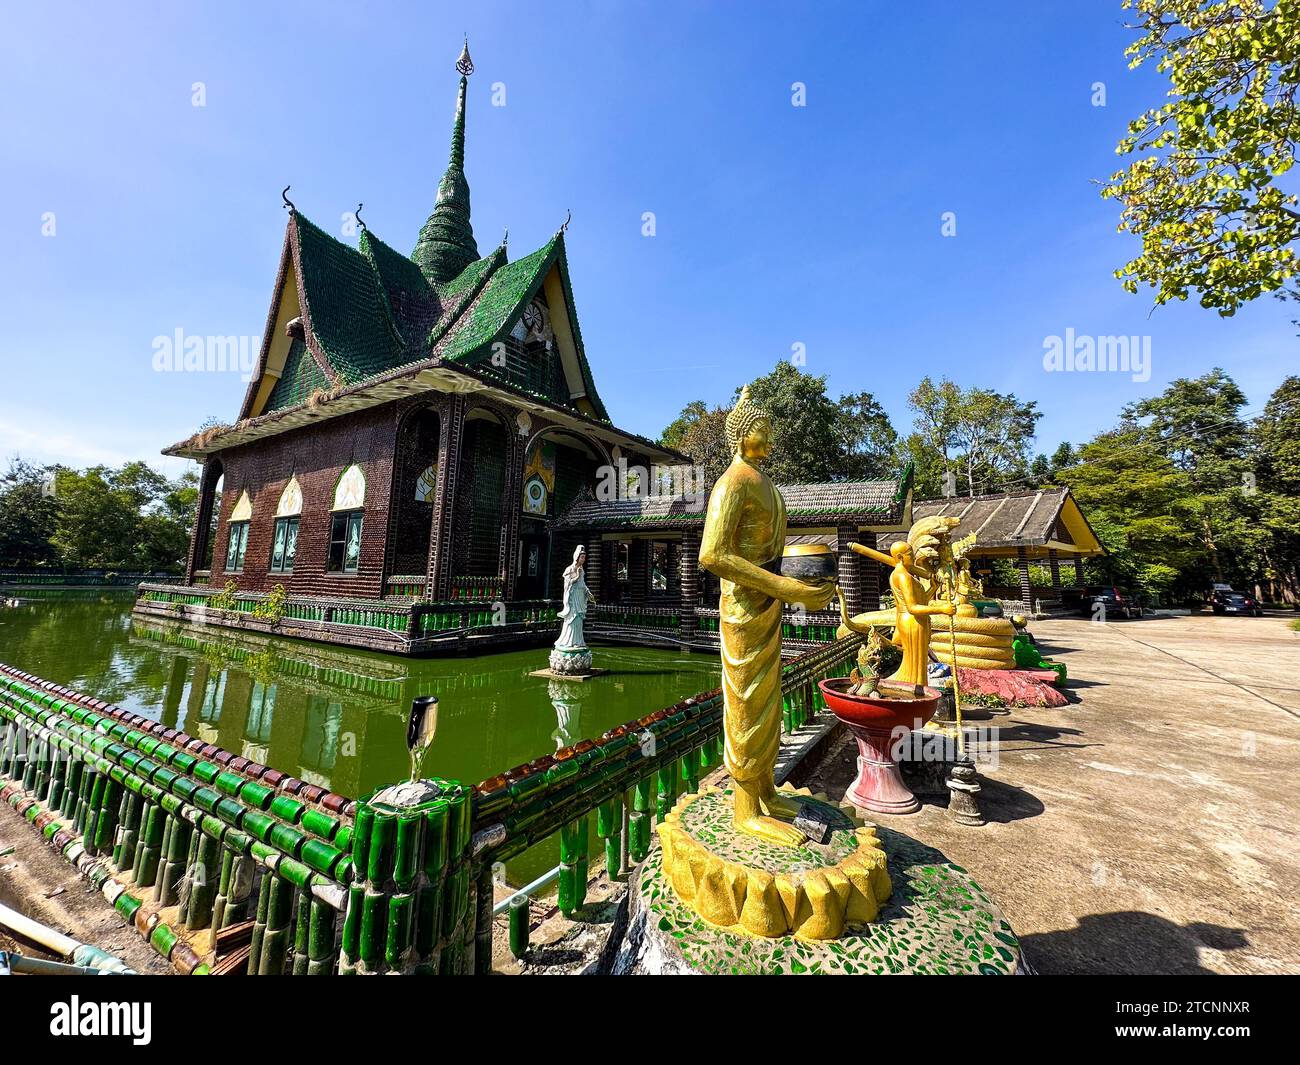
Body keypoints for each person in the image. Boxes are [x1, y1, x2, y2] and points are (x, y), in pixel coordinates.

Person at [699, 387, 836, 847]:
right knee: (745, 703)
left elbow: (773, 552)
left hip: (767, 609)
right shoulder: (732, 483)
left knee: (768, 704)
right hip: (742, 611)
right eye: (763, 432)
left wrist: (805, 580)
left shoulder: (768, 486)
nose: (770, 443)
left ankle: (765, 793)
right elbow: (713, 554)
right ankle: (744, 810)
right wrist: (786, 588)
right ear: (740, 436)